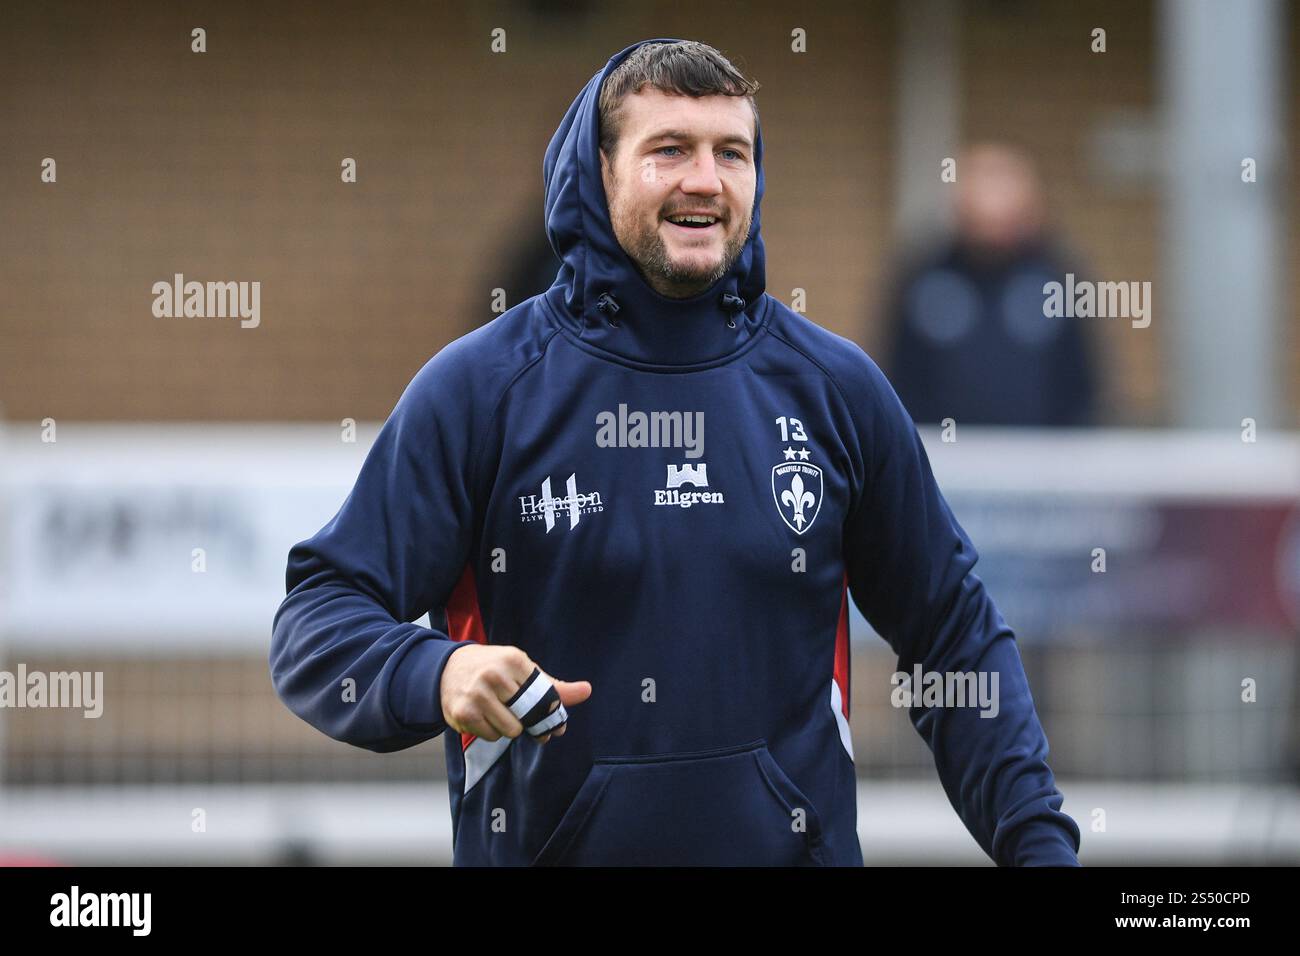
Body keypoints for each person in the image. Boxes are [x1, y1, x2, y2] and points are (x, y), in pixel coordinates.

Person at [270, 38, 1082, 866]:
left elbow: (954, 635)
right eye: (669, 150)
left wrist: (1040, 847)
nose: (705, 180)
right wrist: (436, 673)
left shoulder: (834, 390)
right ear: (599, 171)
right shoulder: (481, 392)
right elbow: (317, 622)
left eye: (732, 152)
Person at [882, 142, 1099, 427]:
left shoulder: (1058, 280)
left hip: (1040, 452)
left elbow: (1083, 388)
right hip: (941, 451)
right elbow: (896, 378)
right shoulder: (924, 279)